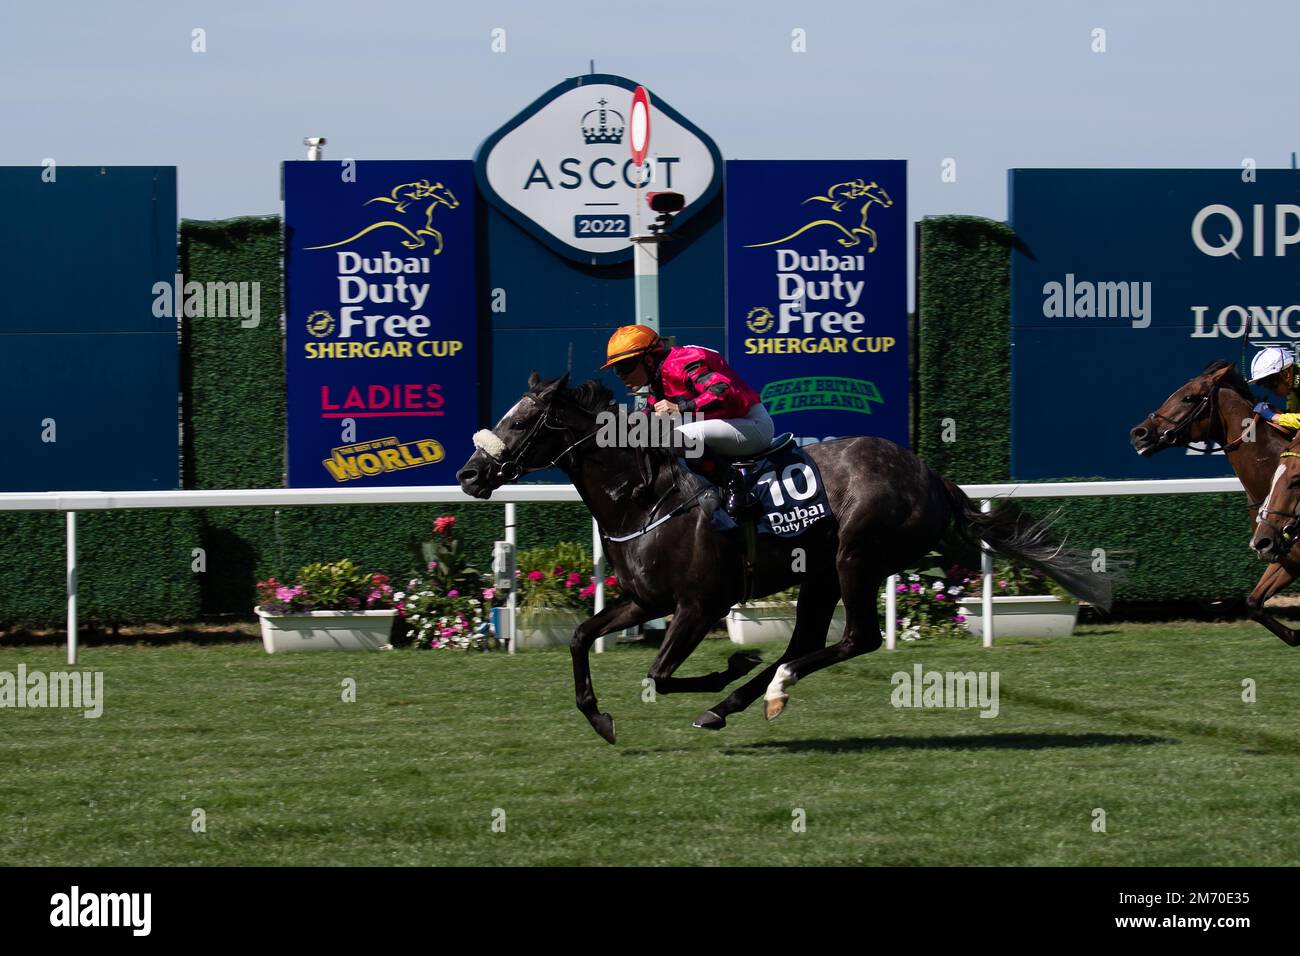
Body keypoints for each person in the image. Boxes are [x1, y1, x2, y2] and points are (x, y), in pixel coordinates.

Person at [601, 324, 774, 516]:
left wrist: (679, 407)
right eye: (617, 370)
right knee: (654, 431)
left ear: (648, 360)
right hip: (728, 423)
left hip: (752, 425)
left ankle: (735, 486)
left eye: (625, 367)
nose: (622, 375)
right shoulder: (658, 378)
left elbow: (722, 389)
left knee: (679, 436)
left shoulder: (680, 363)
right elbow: (648, 416)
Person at [1250, 346, 1300, 430]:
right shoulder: (1292, 389)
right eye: (1265, 385)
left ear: (1286, 374)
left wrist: (1273, 416)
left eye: (1271, 383)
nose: (1271, 390)